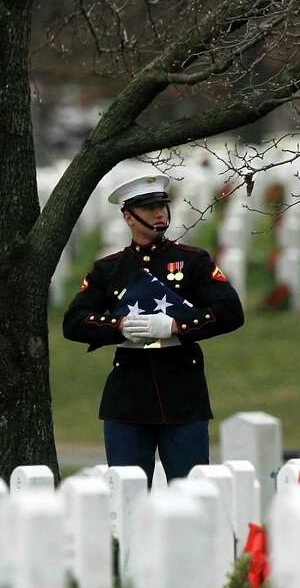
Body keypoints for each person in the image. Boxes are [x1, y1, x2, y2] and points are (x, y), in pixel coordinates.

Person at [63, 172, 244, 484]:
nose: (159, 213)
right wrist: (119, 325)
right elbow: (74, 321)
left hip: (182, 396)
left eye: (162, 205)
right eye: (149, 208)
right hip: (128, 400)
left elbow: (230, 311)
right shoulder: (109, 269)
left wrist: (176, 325)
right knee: (127, 494)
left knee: (190, 491)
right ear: (128, 217)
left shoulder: (192, 261)